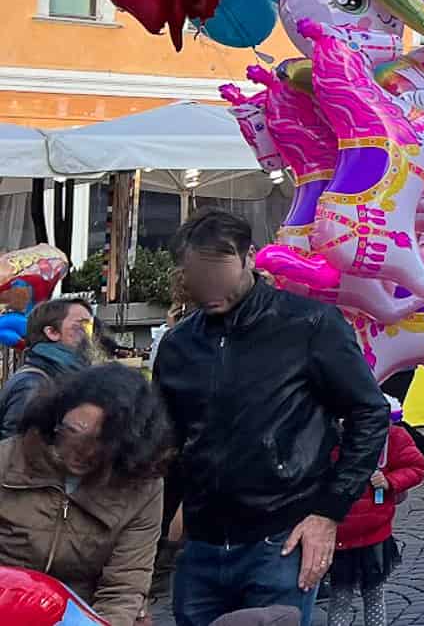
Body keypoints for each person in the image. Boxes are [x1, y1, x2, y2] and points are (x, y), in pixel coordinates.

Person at [156, 211, 390, 626]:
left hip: (280, 537)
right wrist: (156, 540)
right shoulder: (178, 345)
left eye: (219, 274)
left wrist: (329, 512)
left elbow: (369, 413)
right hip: (202, 543)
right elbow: (166, 445)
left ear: (250, 258)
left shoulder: (310, 325)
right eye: (198, 276)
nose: (210, 289)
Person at [0, 363, 170, 625]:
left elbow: (123, 589)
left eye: (102, 442)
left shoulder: (142, 487)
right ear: (56, 417)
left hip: (85, 614)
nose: (83, 451)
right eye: (75, 432)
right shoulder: (7, 459)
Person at [325, 413, 424, 626]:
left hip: (374, 535)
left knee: (374, 594)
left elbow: (415, 467)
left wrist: (390, 481)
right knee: (340, 598)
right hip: (338, 537)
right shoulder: (327, 434)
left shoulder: (392, 437)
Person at [0, 296, 93, 438]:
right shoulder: (33, 385)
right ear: (52, 332)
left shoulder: (61, 375)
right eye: (81, 324)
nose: (88, 333)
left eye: (90, 325)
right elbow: (16, 452)